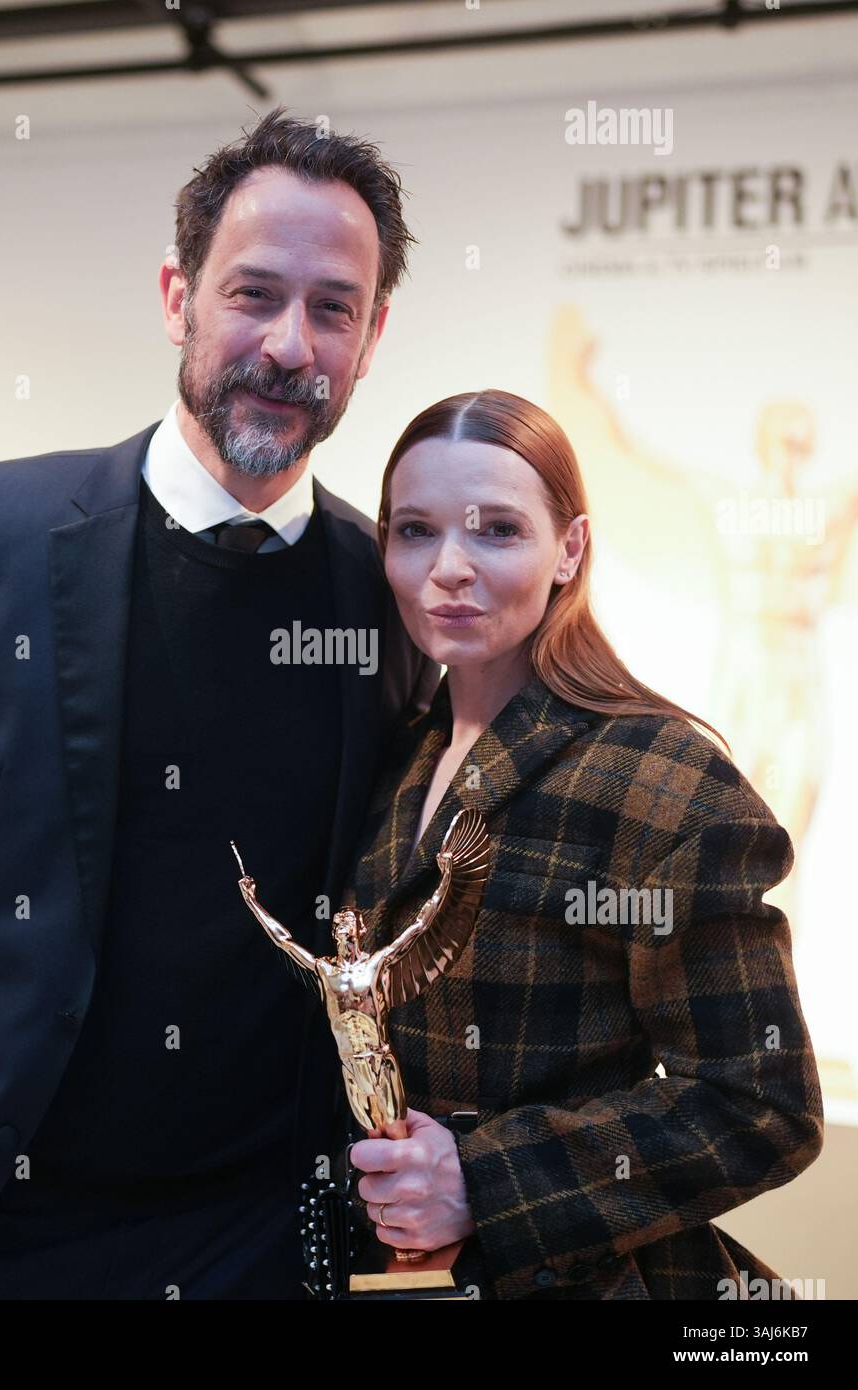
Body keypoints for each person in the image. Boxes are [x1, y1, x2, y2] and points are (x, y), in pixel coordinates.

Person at [0, 107, 438, 1300]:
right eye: (253, 294)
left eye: (334, 308)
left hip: (258, 1238)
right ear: (176, 295)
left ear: (374, 332)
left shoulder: (389, 593)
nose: (291, 344)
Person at [342, 388, 824, 1300]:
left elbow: (763, 1105)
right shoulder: (393, 760)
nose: (449, 567)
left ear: (570, 548)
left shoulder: (666, 779)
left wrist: (482, 1183)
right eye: (416, 531)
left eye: (496, 530)